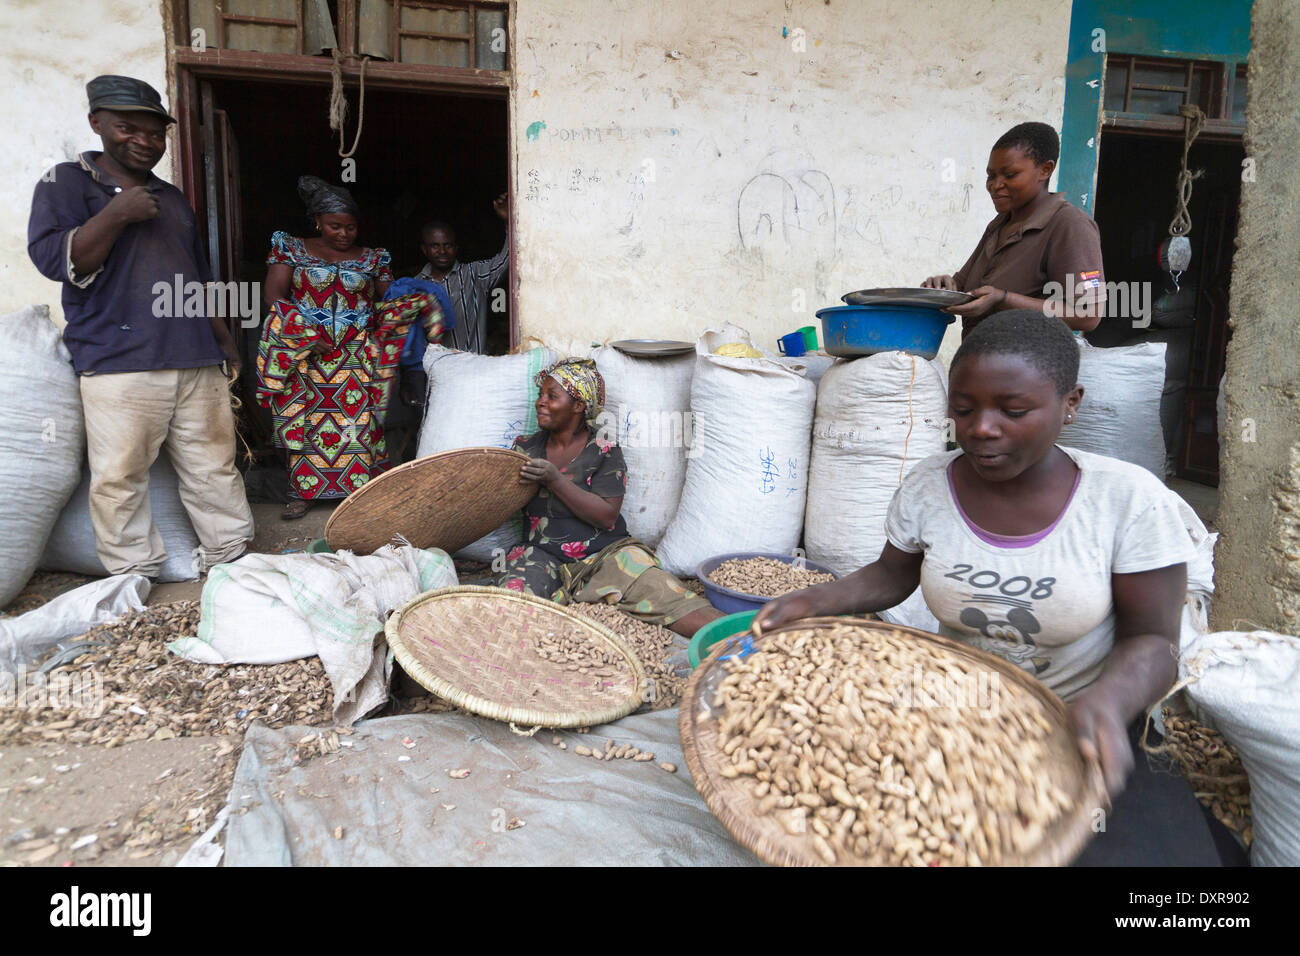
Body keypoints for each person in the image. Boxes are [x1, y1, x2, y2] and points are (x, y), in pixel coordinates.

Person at [753, 311, 1243, 865]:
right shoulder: (927, 486)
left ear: (1071, 403)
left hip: (1082, 725)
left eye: (1013, 411)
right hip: (957, 715)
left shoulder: (1125, 500)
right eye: (963, 410)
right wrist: (811, 600)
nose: (981, 429)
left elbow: (1155, 642)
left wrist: (1107, 705)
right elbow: (892, 574)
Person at [27, 75, 254, 578]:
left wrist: (223, 340)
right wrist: (117, 213)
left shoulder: (171, 198)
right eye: (128, 128)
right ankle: (134, 574)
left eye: (156, 133)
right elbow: (53, 259)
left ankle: (232, 557)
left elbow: (197, 276)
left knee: (212, 466)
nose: (145, 142)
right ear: (97, 124)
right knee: (120, 476)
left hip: (195, 357)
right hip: (120, 361)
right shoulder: (66, 181)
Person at [255, 176, 445, 520]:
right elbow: (273, 297)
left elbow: (387, 300)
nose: (344, 234)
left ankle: (361, 492)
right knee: (307, 424)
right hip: (307, 358)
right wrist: (308, 334)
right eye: (335, 226)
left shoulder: (373, 258)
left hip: (356, 356)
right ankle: (302, 493)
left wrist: (414, 302)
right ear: (317, 222)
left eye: (351, 227)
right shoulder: (291, 249)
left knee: (360, 425)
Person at [493, 358, 722, 638]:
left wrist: (554, 480)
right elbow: (498, 502)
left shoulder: (603, 447)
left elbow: (606, 516)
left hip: (606, 554)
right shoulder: (524, 448)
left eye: (552, 396)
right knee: (507, 611)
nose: (540, 402)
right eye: (541, 395)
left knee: (667, 597)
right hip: (541, 555)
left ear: (578, 406)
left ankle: (745, 635)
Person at [923, 122, 1106, 338]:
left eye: (1009, 175)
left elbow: (1089, 314)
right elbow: (964, 286)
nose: (995, 185)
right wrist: (944, 286)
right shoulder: (1000, 224)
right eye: (991, 176)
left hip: (1030, 368)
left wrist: (1003, 300)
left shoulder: (1070, 225)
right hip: (979, 362)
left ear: (1045, 170)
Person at [411, 194, 509, 355]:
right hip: (437, 372)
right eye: (435, 246)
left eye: (447, 245)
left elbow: (506, 259)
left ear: (456, 248)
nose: (442, 251)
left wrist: (507, 221)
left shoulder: (474, 274)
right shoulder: (415, 286)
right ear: (424, 250)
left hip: (474, 368)